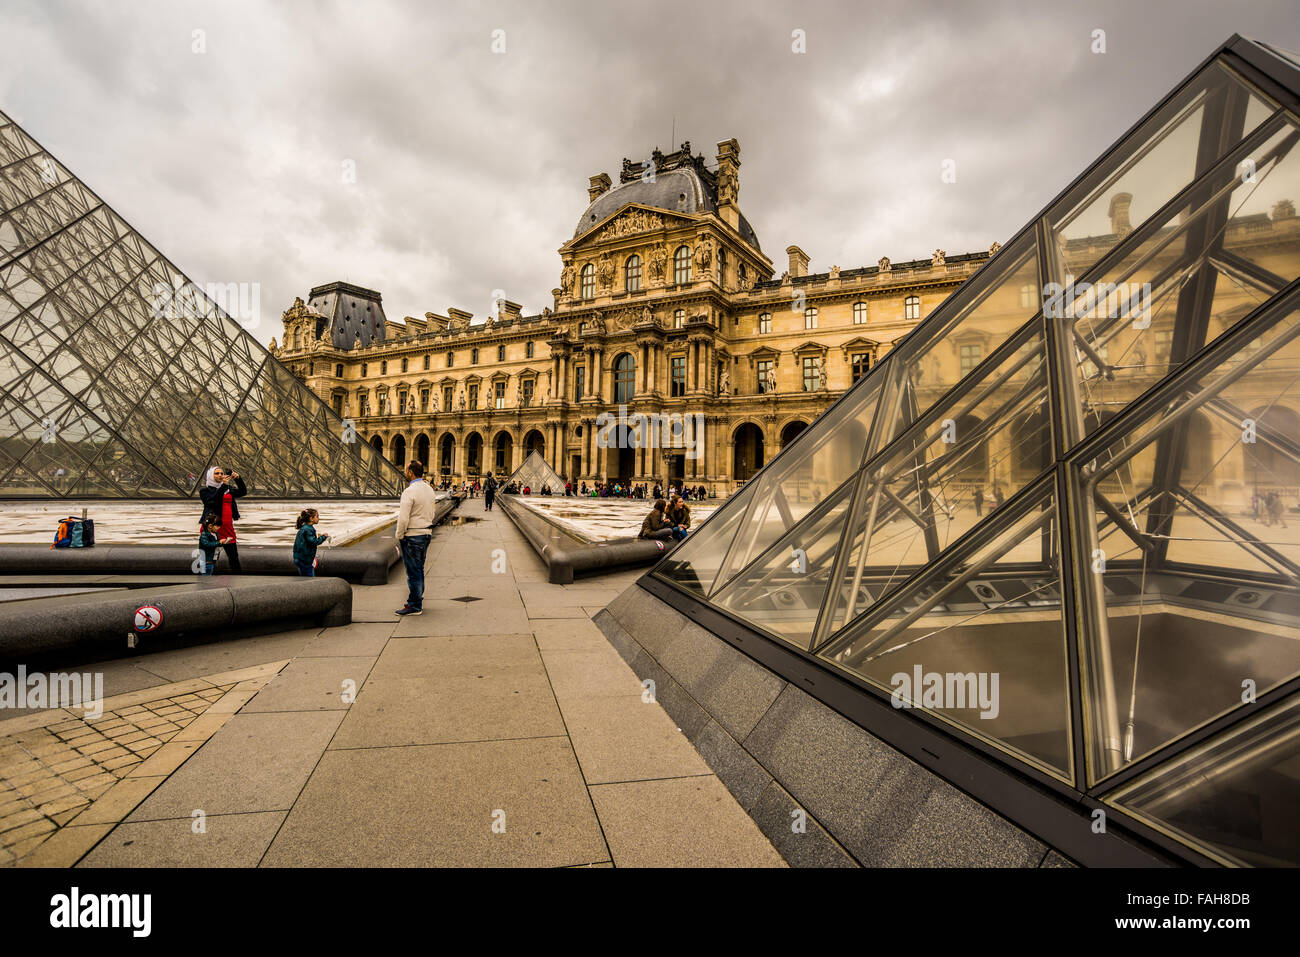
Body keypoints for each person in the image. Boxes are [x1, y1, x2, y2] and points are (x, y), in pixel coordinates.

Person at [396, 461, 439, 616]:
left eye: (407, 470)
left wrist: (400, 535)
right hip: (425, 533)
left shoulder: (409, 491)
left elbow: (403, 518)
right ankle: (416, 599)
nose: (405, 473)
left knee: (413, 572)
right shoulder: (429, 489)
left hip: (412, 535)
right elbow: (432, 512)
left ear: (411, 472)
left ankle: (415, 605)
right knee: (418, 569)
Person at [199, 466, 246, 573]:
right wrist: (223, 486)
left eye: (221, 473)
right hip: (212, 526)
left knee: (233, 555)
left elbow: (243, 492)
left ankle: (237, 576)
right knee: (208, 555)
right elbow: (213, 501)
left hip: (227, 526)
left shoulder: (228, 489)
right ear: (211, 476)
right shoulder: (205, 491)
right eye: (216, 473)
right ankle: (205, 577)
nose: (220, 475)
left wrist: (238, 478)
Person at [293, 508, 329, 577]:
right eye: (317, 516)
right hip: (305, 559)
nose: (319, 518)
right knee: (310, 579)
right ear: (311, 518)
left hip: (299, 558)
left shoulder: (304, 528)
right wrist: (323, 537)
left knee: (303, 577)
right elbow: (314, 542)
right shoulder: (308, 529)